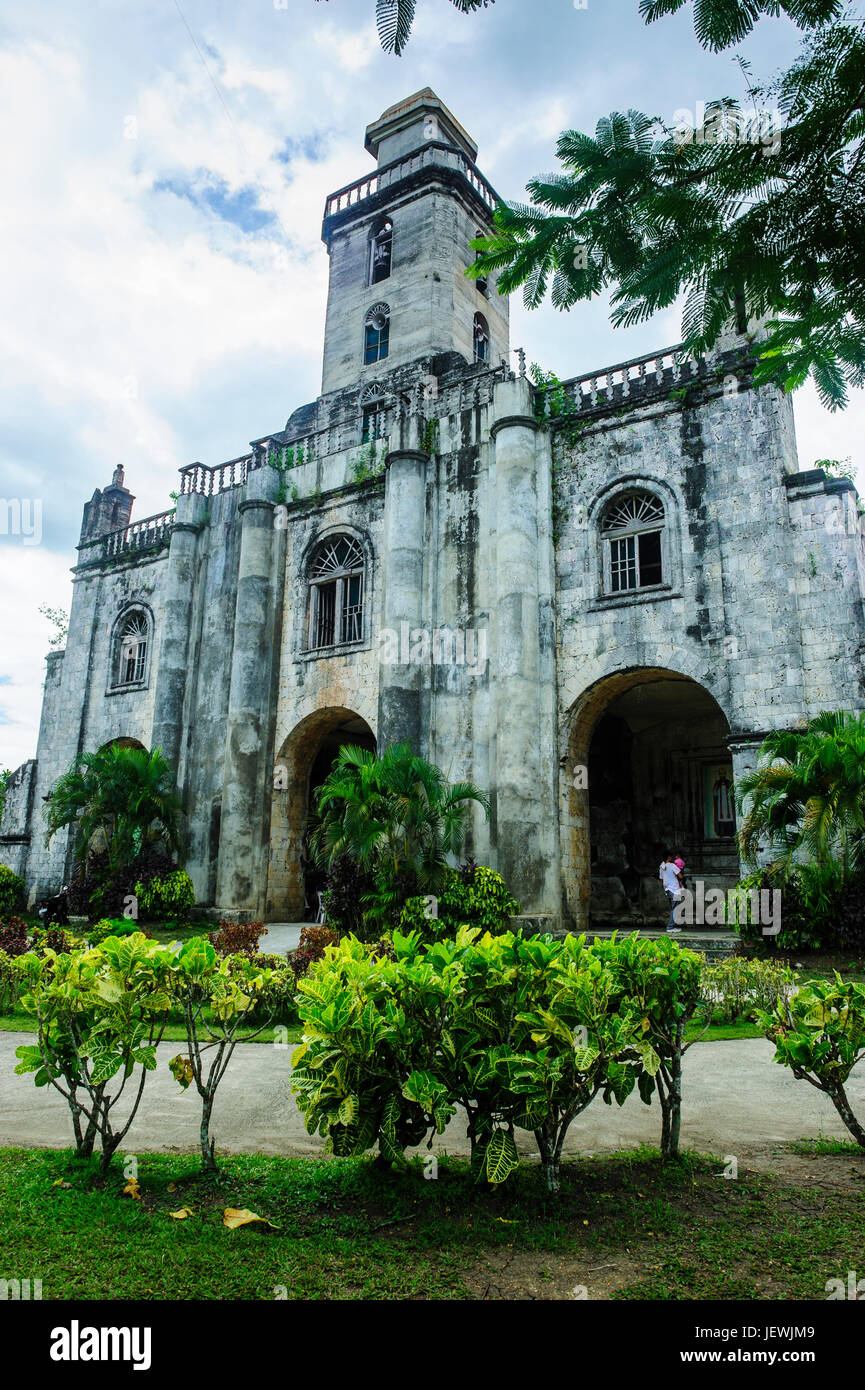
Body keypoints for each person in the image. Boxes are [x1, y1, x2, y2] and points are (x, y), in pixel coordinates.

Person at [658, 852, 683, 934]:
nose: (672, 858)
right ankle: (670, 927)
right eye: (671, 857)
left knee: (673, 909)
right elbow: (680, 876)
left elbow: (662, 879)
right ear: (669, 857)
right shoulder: (672, 866)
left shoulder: (661, 867)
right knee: (675, 909)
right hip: (675, 890)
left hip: (668, 890)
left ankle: (673, 926)